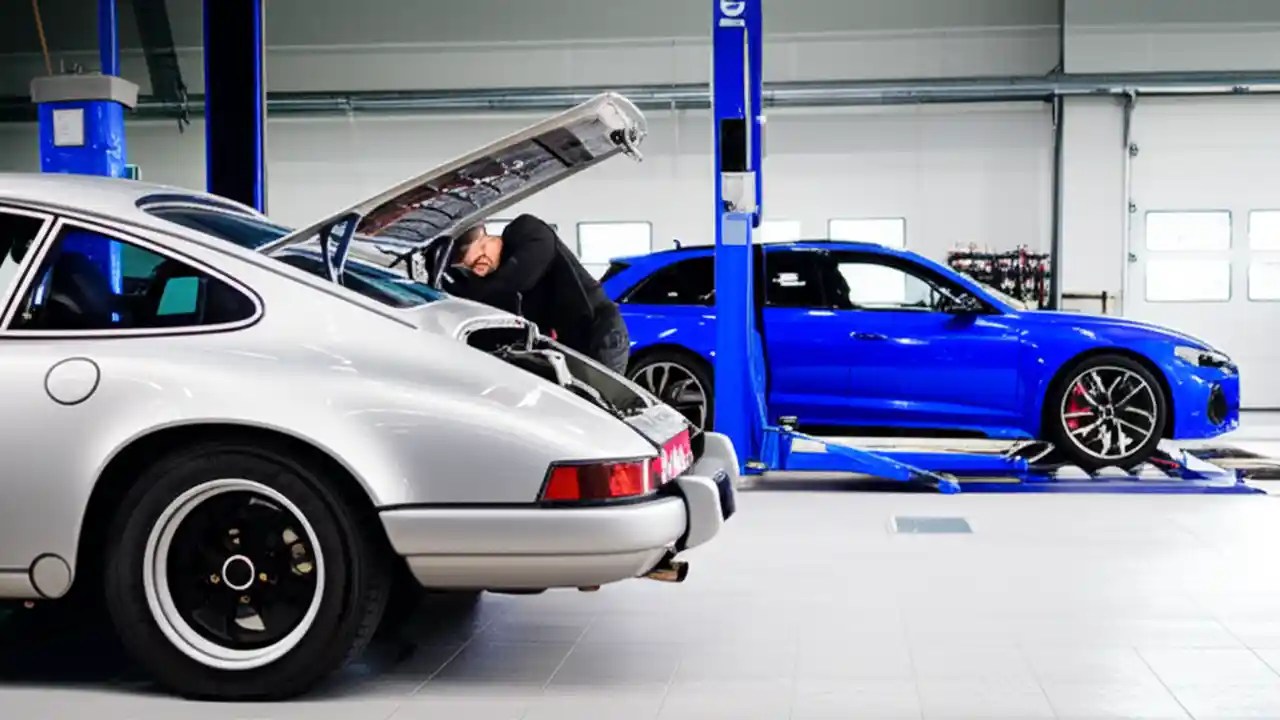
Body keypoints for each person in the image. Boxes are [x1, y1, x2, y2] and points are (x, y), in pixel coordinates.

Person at [439, 214, 631, 374]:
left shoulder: (526, 231)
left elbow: (522, 276)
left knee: (603, 410)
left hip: (600, 331)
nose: (479, 271)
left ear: (487, 238)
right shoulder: (495, 282)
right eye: (471, 268)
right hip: (569, 344)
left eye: (480, 258)